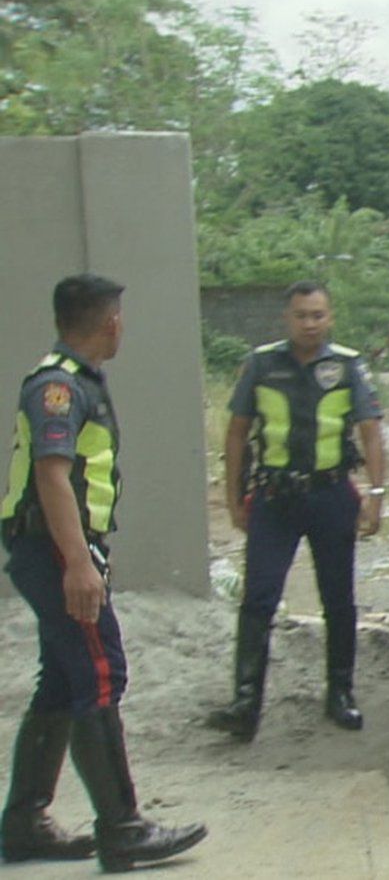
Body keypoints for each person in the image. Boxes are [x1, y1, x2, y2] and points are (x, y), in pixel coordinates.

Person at [0, 274, 207, 871]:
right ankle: (123, 828)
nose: (123, 327)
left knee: (63, 682)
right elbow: (52, 475)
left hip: (51, 549)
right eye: (121, 318)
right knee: (98, 672)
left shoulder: (74, 381)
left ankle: (24, 822)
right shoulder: (58, 387)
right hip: (55, 550)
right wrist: (77, 565)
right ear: (109, 322)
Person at [209, 281, 385, 741]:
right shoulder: (262, 364)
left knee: (338, 600)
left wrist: (377, 493)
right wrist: (233, 499)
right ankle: (245, 703)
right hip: (274, 500)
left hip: (330, 497)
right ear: (287, 319)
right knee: (258, 601)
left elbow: (371, 433)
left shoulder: (347, 366)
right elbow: (236, 433)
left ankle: (340, 695)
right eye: (302, 315)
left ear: (330, 318)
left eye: (318, 315)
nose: (310, 323)